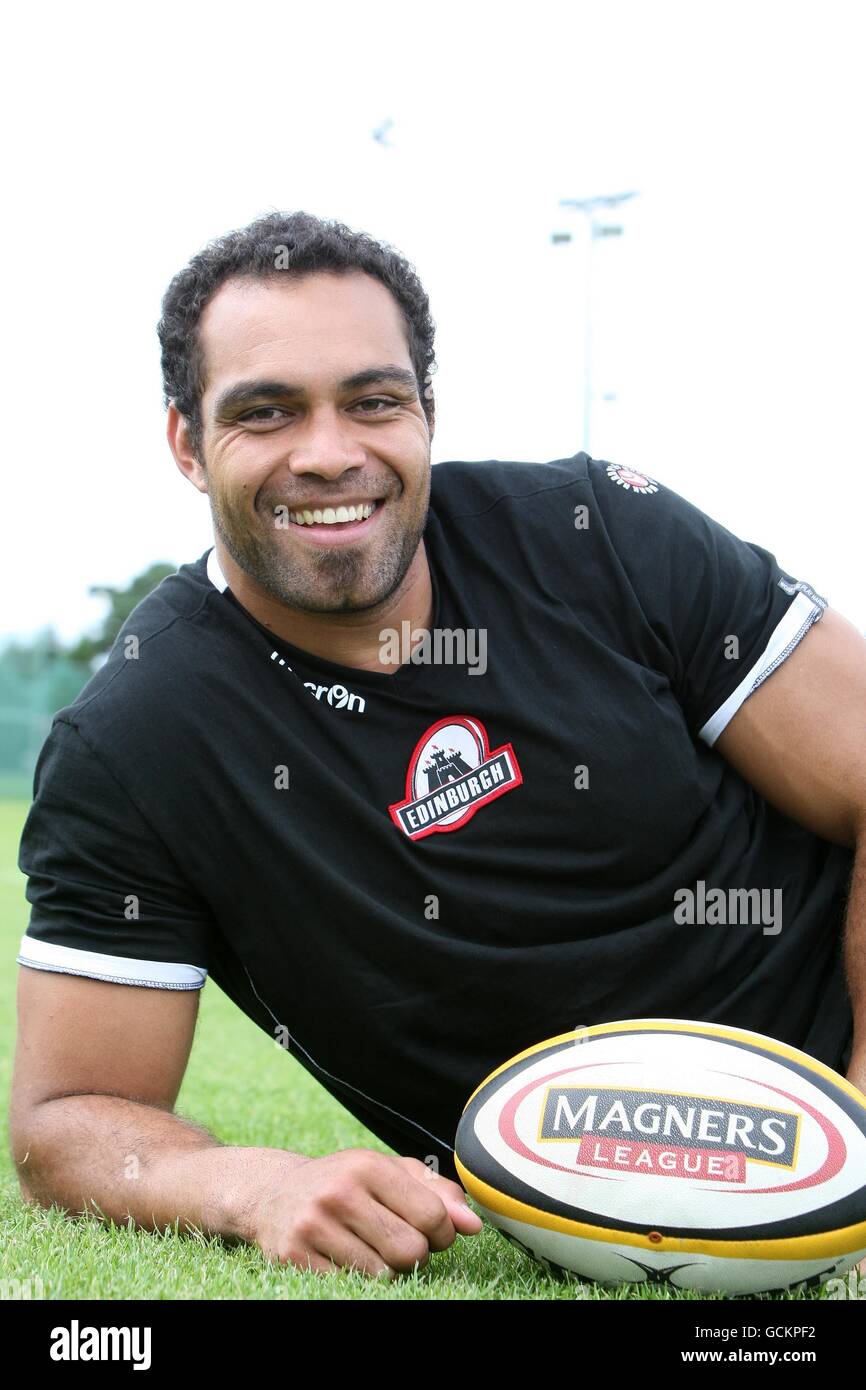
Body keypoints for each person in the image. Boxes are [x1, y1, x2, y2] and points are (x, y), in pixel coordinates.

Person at [10, 211, 866, 1282]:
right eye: (266, 413)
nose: (330, 454)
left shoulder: (598, 535)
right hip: (585, 1200)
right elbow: (68, 1117)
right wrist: (259, 1183)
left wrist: (852, 1135)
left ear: (425, 413)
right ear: (186, 443)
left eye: (373, 401)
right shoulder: (139, 742)